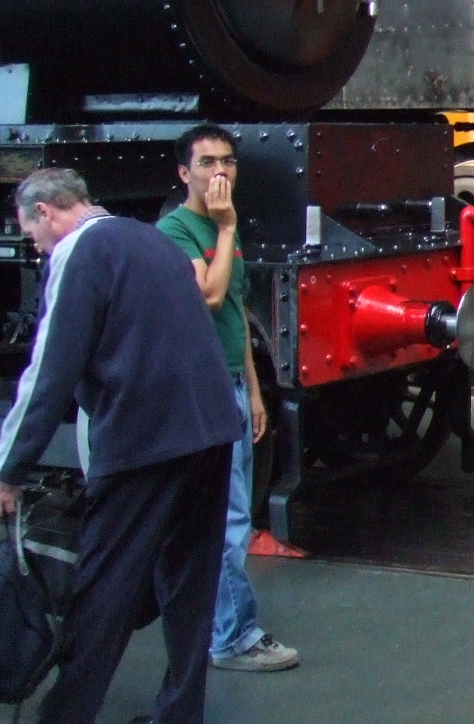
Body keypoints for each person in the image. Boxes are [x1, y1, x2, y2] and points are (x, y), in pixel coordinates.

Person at [0, 167, 237, 724]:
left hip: (144, 438)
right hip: (209, 429)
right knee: (189, 583)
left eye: (31, 235)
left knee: (104, 585)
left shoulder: (78, 252)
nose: (35, 248)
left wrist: (9, 469)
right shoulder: (150, 239)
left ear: (45, 213)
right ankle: (181, 714)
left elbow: (49, 370)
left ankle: (66, 716)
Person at [157, 124, 299, 674]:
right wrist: (226, 224)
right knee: (228, 517)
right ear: (184, 172)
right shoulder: (178, 231)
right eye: (208, 162)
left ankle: (227, 628)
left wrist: (256, 393)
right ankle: (232, 637)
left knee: (235, 512)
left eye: (229, 162)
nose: (220, 172)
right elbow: (209, 297)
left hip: (233, 387)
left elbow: (238, 311)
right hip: (202, 392)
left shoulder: (220, 230)